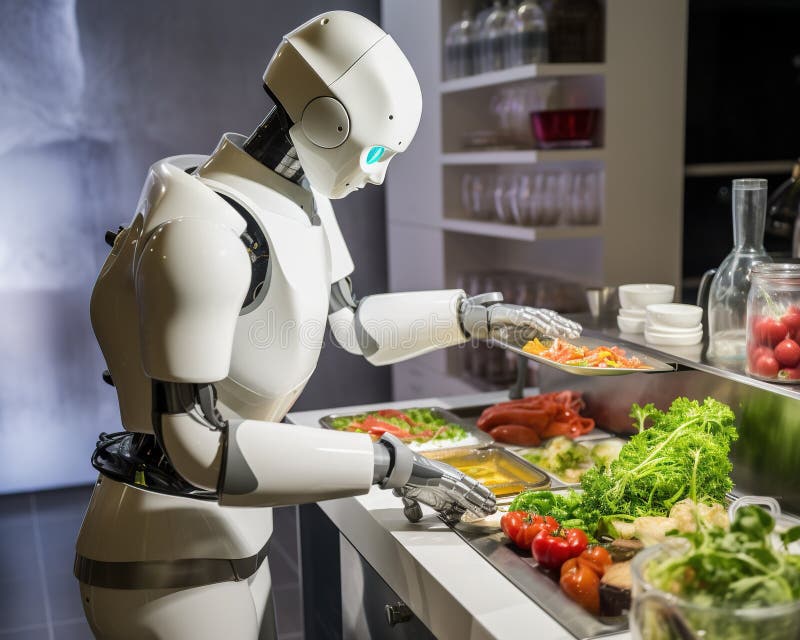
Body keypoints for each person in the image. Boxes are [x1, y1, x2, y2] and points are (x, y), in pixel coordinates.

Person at [75, 11, 581, 638]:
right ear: (327, 122)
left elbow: (355, 325)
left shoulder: (295, 201)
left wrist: (472, 316)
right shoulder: (205, 235)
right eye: (375, 152)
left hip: (226, 531)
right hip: (164, 543)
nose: (378, 174)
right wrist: (392, 464)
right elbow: (199, 444)